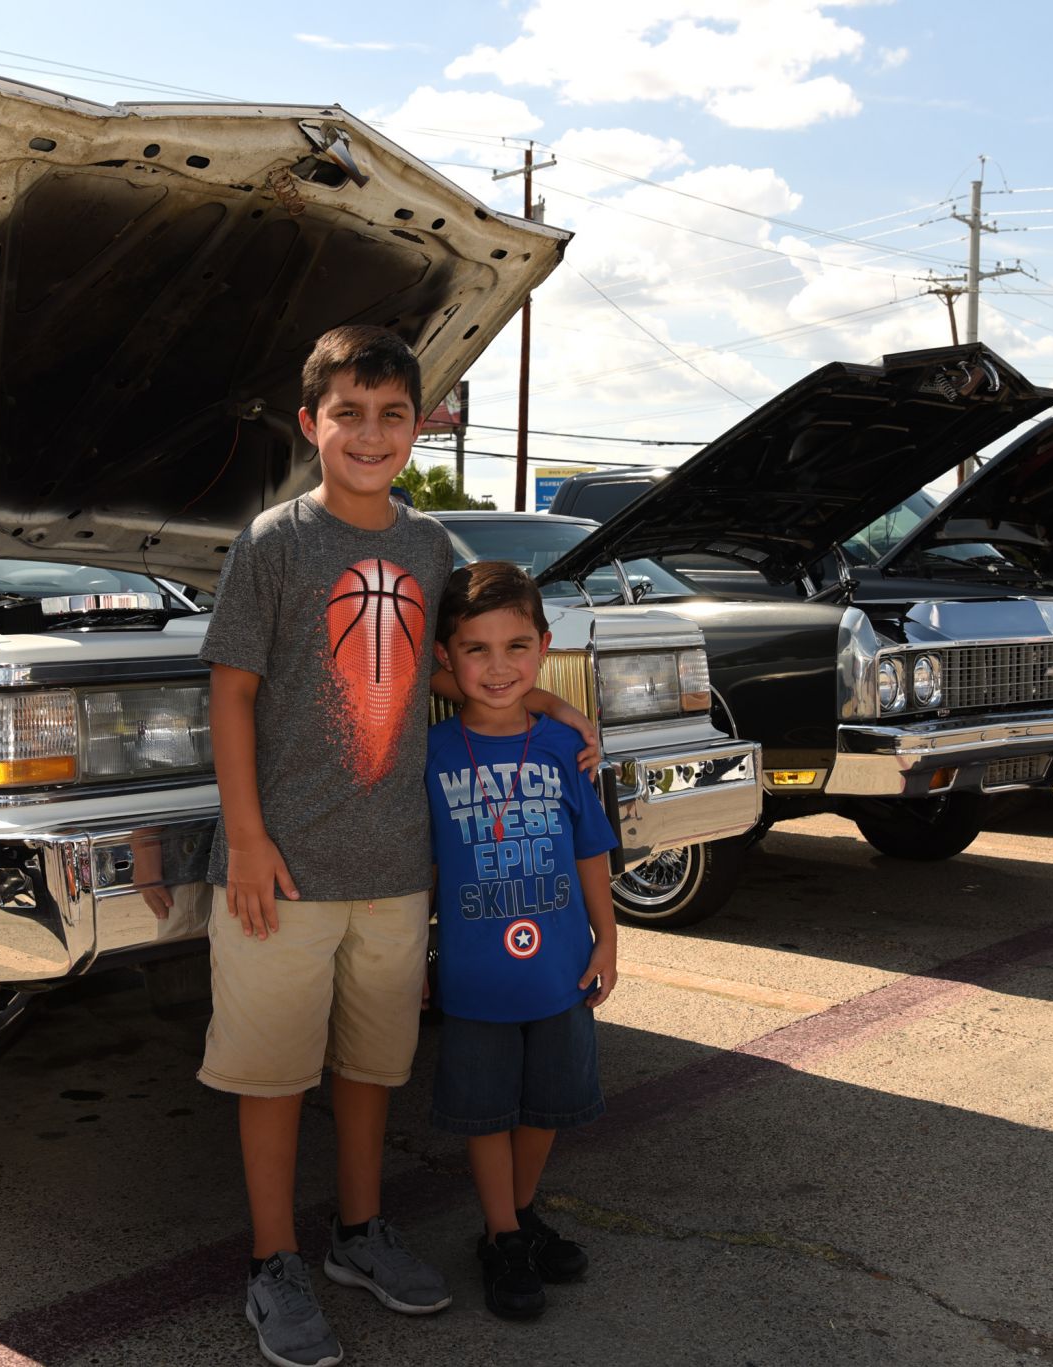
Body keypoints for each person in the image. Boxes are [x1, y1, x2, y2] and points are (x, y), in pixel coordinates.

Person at [198, 324, 594, 1367]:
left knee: (370, 1064)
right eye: (349, 414)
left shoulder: (429, 548)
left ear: (420, 425)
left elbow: (461, 659)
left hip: (393, 866)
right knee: (273, 1074)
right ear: (311, 424)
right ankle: (272, 1260)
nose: (370, 434)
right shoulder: (274, 541)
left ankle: (359, 1231)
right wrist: (247, 837)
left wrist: (545, 699)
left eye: (391, 414)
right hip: (281, 869)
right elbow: (230, 692)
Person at [424, 560, 619, 1321]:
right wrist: (418, 956)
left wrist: (608, 939)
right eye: (475, 649)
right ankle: (502, 1235)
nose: (498, 666)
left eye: (516, 647)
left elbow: (590, 847)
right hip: (475, 975)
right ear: (447, 656)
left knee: (548, 1105)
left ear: (543, 647)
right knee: (485, 1111)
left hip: (559, 970)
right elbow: (424, 868)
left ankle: (521, 1213)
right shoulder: (432, 753)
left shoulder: (563, 746)